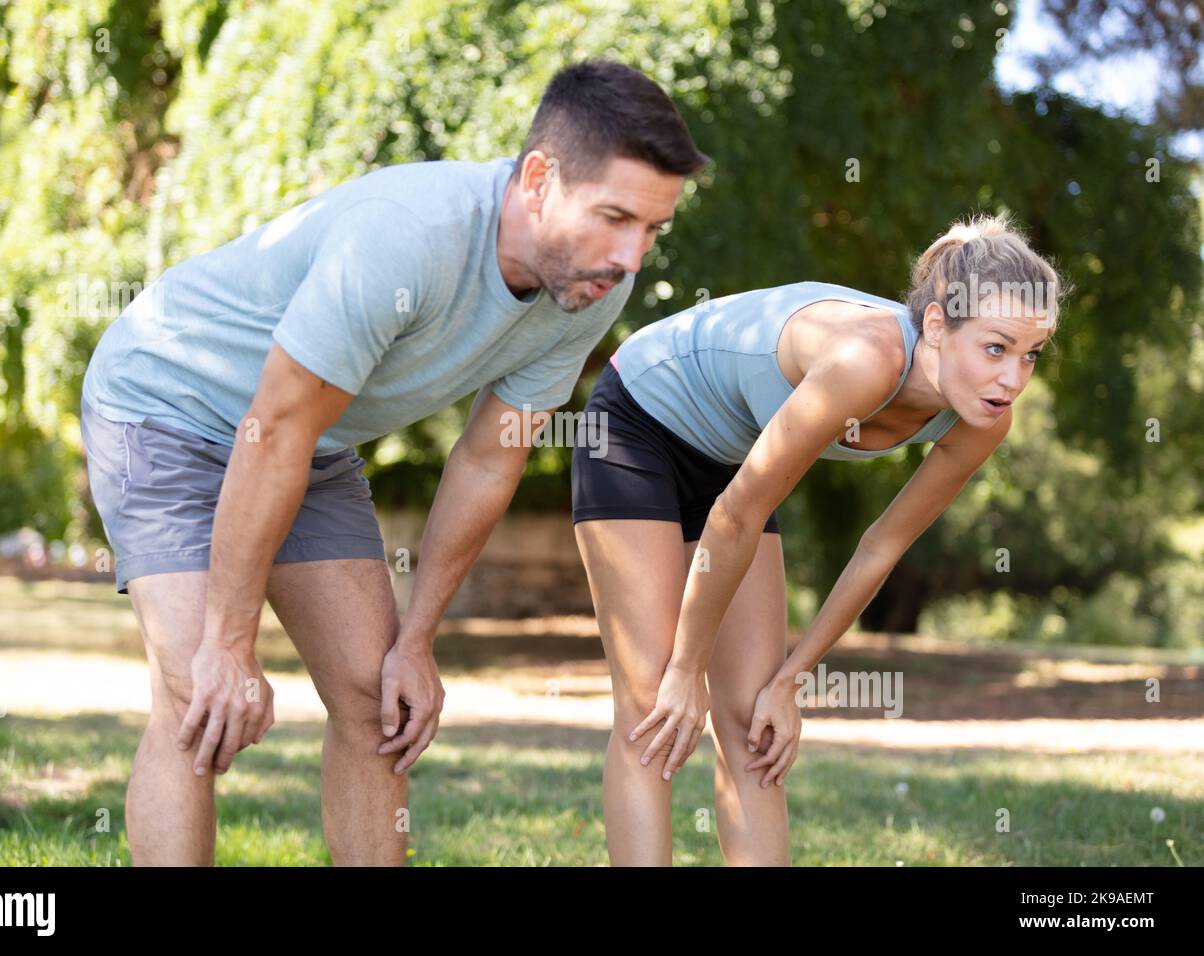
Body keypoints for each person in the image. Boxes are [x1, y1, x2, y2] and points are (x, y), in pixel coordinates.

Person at [79, 58, 708, 865]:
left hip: (308, 436)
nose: (631, 256)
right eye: (615, 217)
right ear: (540, 179)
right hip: (167, 404)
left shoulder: (589, 286)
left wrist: (417, 639)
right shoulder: (408, 237)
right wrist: (229, 642)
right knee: (196, 695)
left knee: (378, 704)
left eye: (652, 230)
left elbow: (488, 460)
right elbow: (269, 431)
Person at [571, 214, 1064, 865]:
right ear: (940, 326)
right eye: (996, 349)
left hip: (734, 460)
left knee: (754, 725)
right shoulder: (863, 360)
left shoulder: (984, 419)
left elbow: (880, 546)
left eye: (1031, 354)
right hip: (638, 421)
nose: (1013, 379)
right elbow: (735, 519)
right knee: (652, 706)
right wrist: (687, 668)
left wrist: (791, 677)